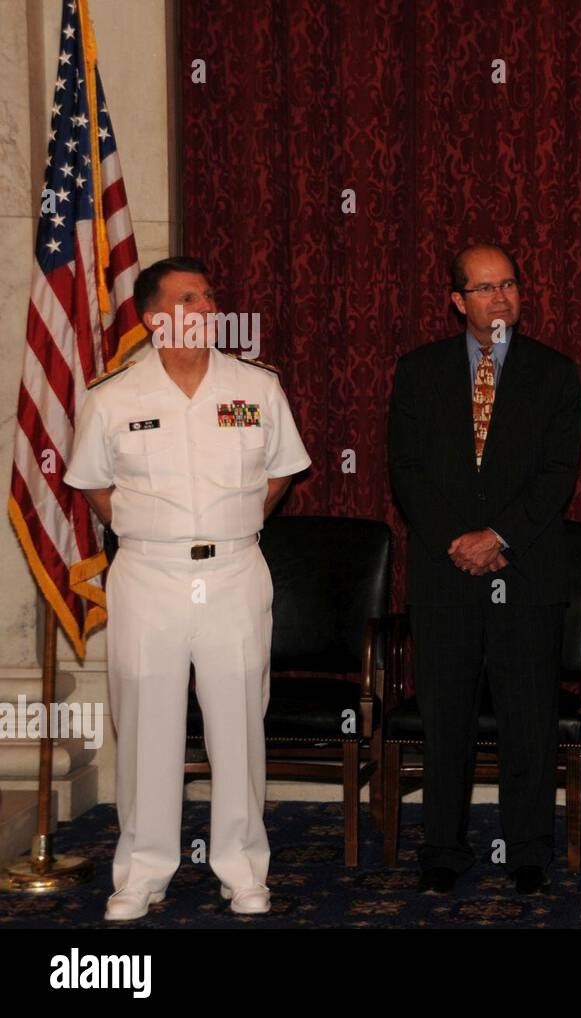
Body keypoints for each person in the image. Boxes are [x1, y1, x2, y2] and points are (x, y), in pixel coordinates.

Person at [64, 256, 311, 920]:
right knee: (146, 722)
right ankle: (141, 873)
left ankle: (243, 869)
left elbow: (283, 469)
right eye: (189, 298)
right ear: (154, 319)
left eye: (208, 296)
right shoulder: (112, 397)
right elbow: (90, 481)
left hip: (233, 572)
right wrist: (141, 528)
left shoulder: (255, 386)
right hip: (148, 574)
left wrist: (240, 519)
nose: (205, 307)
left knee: (237, 723)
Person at [388, 243, 581, 895]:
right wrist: (458, 541)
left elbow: (558, 474)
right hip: (444, 575)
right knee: (447, 721)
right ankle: (442, 847)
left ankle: (527, 849)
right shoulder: (417, 372)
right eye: (485, 288)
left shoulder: (555, 374)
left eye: (510, 285)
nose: (501, 298)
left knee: (529, 720)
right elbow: (406, 472)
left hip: (525, 573)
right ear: (457, 300)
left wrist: (498, 537)